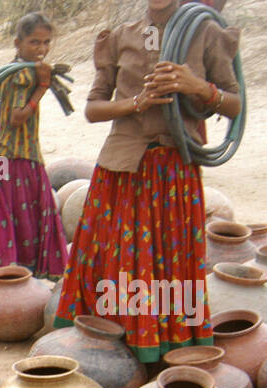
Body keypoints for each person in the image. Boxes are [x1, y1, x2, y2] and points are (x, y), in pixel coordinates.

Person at [52, 0, 240, 362]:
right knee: (113, 262)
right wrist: (136, 103)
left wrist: (197, 86)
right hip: (121, 169)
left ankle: (164, 351)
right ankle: (108, 350)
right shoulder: (119, 38)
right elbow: (93, 108)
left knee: (168, 265)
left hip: (174, 171)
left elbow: (234, 104)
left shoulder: (205, 33)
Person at [0, 12, 69, 280]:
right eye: (34, 43)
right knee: (12, 210)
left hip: (13, 157)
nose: (41, 49)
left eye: (46, 42)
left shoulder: (13, 70)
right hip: (12, 159)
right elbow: (17, 117)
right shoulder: (20, 76)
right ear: (18, 43)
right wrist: (41, 87)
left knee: (14, 211)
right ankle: (12, 273)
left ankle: (13, 272)